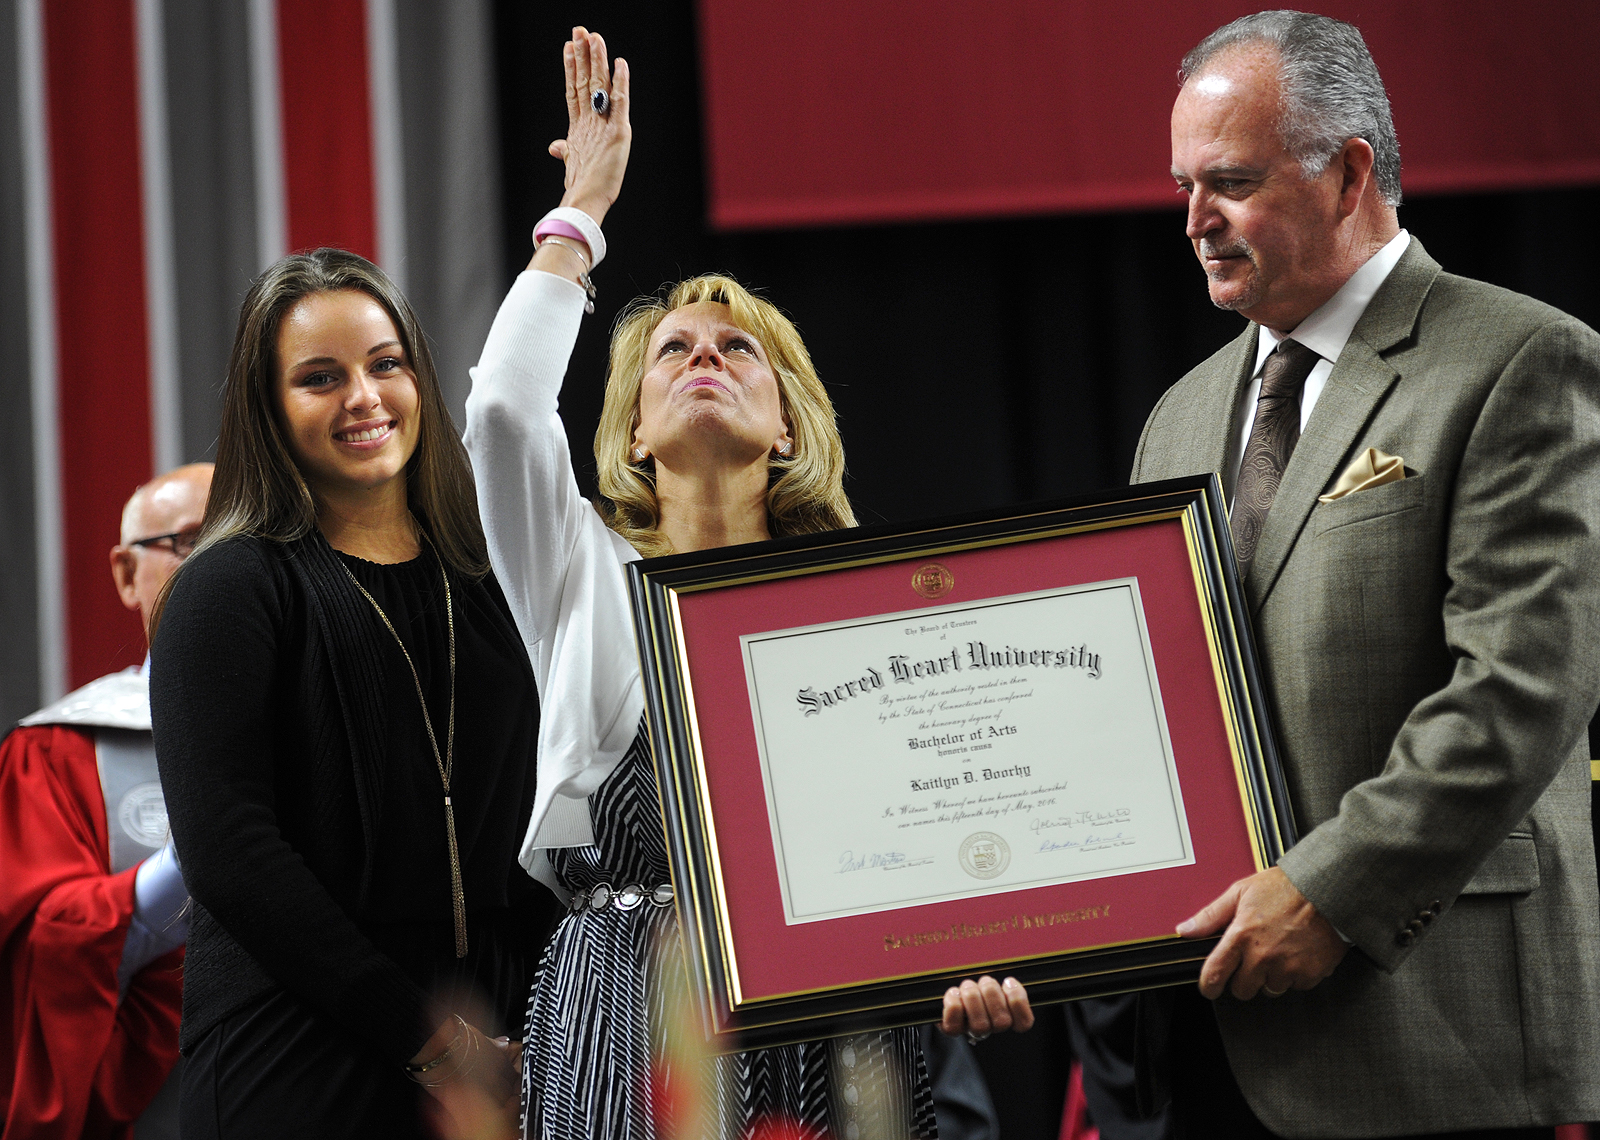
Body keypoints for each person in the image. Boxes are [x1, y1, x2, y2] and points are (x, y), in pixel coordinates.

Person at [463, 27, 1033, 1140]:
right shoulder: (577, 565)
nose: (705, 361)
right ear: (631, 432)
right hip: (621, 1008)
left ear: (784, 428)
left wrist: (980, 954)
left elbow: (941, 821)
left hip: (837, 1010)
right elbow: (497, 412)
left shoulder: (868, 603)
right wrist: (579, 214)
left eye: (738, 350)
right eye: (672, 352)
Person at [1103, 10, 1600, 1139]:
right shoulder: (1177, 417)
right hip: (1206, 1037)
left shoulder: (1520, 359)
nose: (1193, 222)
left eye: (1229, 181)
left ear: (1350, 173)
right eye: (1181, 184)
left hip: (1435, 1032)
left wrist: (1327, 886)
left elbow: (1521, 689)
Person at [148, 251, 558, 1137]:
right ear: (268, 408)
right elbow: (230, 852)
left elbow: (533, 820)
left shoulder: (488, 577)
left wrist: (540, 1019)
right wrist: (431, 1039)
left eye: (385, 365)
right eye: (320, 379)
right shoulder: (228, 587)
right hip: (300, 1039)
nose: (363, 398)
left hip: (503, 1047)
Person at [0, 463, 210, 1140]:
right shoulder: (59, 752)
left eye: (255, 541)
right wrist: (179, 877)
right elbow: (36, 953)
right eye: (191, 541)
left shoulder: (352, 730)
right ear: (126, 574)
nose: (226, 567)